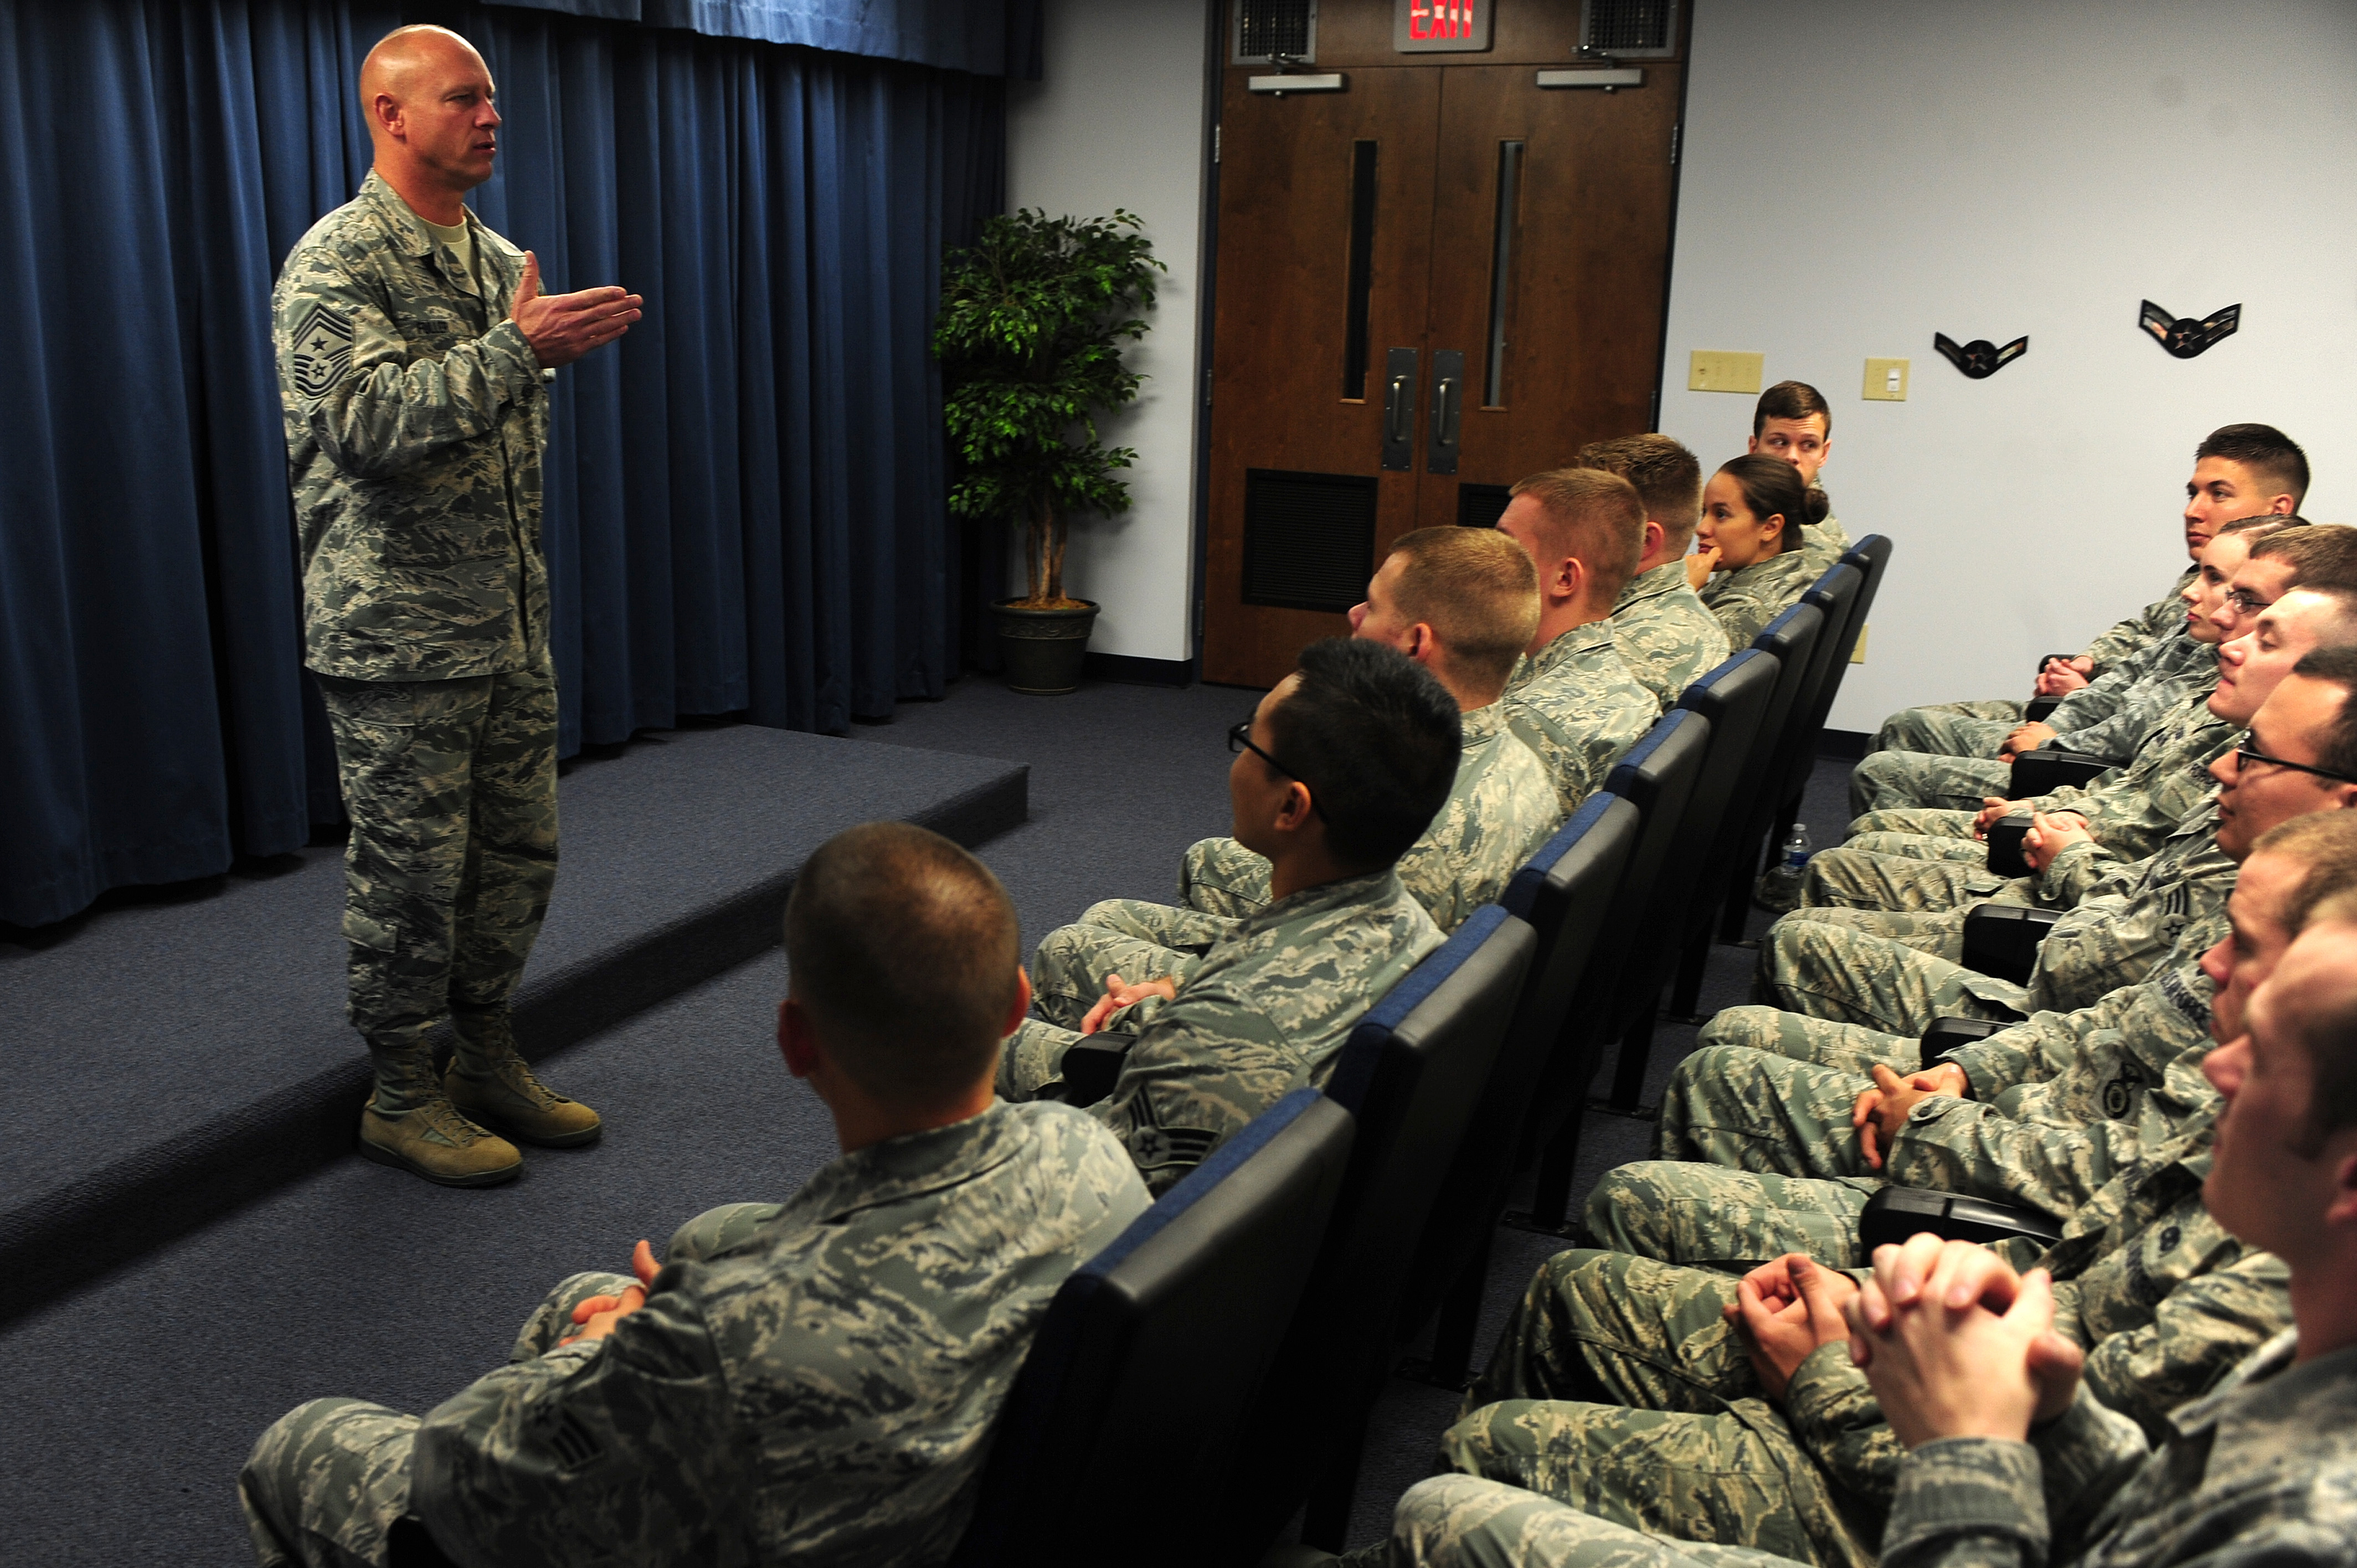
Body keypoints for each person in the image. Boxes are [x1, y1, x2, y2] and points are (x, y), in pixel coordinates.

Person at [238, 823, 1151, 1568]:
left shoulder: (730, 1335)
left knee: (300, 1445)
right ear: (1017, 1005)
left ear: (795, 1041)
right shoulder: (1088, 1147)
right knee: (583, 1298)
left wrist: (592, 1354)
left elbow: (463, 1484)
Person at [1372, 901, 2357, 1568]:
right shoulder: (2308, 1350)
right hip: (1970, 1457)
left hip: (1929, 1495)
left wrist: (1920, 1414)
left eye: (2263, 1056)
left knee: (1458, 1497)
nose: (2216, 1065)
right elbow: (2146, 1505)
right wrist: (2059, 1422)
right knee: (1572, 1302)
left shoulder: (2317, 1518)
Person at [273, 25, 644, 1185]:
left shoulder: (497, 261)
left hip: (503, 625)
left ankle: (485, 1055)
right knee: (411, 875)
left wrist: (514, 346)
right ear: (389, 115)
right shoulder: (337, 262)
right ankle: (397, 1092)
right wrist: (512, 353)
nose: (490, 117)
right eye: (463, 98)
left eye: (492, 99)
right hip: (394, 638)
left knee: (515, 858)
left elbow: (498, 441)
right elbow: (366, 428)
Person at [1633, 673, 2357, 1263]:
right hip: (2013, 1100)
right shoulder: (2272, 879)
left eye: (2254, 752)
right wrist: (1967, 1074)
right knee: (1733, 1045)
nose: (2220, 766)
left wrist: (1936, 1120)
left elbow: (2085, 984)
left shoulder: (2307, 957)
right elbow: (2111, 1012)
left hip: (2009, 1212)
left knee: (1684, 1127)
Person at [1758, 586, 2357, 1034]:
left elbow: (2113, 960)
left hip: (2048, 964)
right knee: (1861, 837)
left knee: (1806, 928)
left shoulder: (2281, 861)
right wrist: (2050, 804)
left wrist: (2055, 832)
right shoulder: (2252, 765)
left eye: (2256, 621)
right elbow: (2131, 795)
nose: (2224, 623)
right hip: (2062, 935)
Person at [998, 639, 1454, 1193]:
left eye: (1247, 742)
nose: (1237, 761)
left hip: (1134, 1234)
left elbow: (1078, 1195)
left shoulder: (1217, 1035)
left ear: (1290, 807)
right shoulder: (1418, 930)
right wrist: (1174, 1001)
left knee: (956, 1047)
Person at [1166, 527, 1557, 933]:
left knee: (1130, 909)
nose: (1354, 615)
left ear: (1415, 643)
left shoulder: (1419, 814)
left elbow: (1332, 964)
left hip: (1337, 973)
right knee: (1212, 857)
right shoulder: (1521, 753)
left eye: (1371, 606)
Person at [1872, 422, 2309, 759]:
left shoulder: (2266, 604)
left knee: (1899, 739)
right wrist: (2088, 664)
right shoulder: (2201, 573)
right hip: (2096, 715)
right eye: (2193, 493)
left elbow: (2162, 704)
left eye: (2219, 494)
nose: (2193, 511)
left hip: (2106, 755)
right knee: (1900, 730)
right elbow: (2144, 634)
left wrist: (2062, 736)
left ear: (2278, 509)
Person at [1492, 469, 1663, 813]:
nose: (1487, 560)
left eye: (1507, 547)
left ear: (1565, 578)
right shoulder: (1625, 685)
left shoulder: (1533, 724)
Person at [1577, 434, 1732, 706]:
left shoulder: (1617, 653)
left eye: (1581, 515)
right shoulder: (1699, 619)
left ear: (1644, 541)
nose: (1565, 528)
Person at [1688, 455, 1825, 650]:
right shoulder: (1791, 569)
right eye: (1704, 512)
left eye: (1721, 514)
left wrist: (1682, 592)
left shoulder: (1747, 611)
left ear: (1770, 527)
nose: (1701, 528)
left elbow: (1664, 668)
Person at [1748, 379, 1850, 565]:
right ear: (1753, 448)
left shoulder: (1812, 552)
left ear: (1824, 454)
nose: (1792, 456)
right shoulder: (1753, 502)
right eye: (1779, 442)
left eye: (1808, 445)